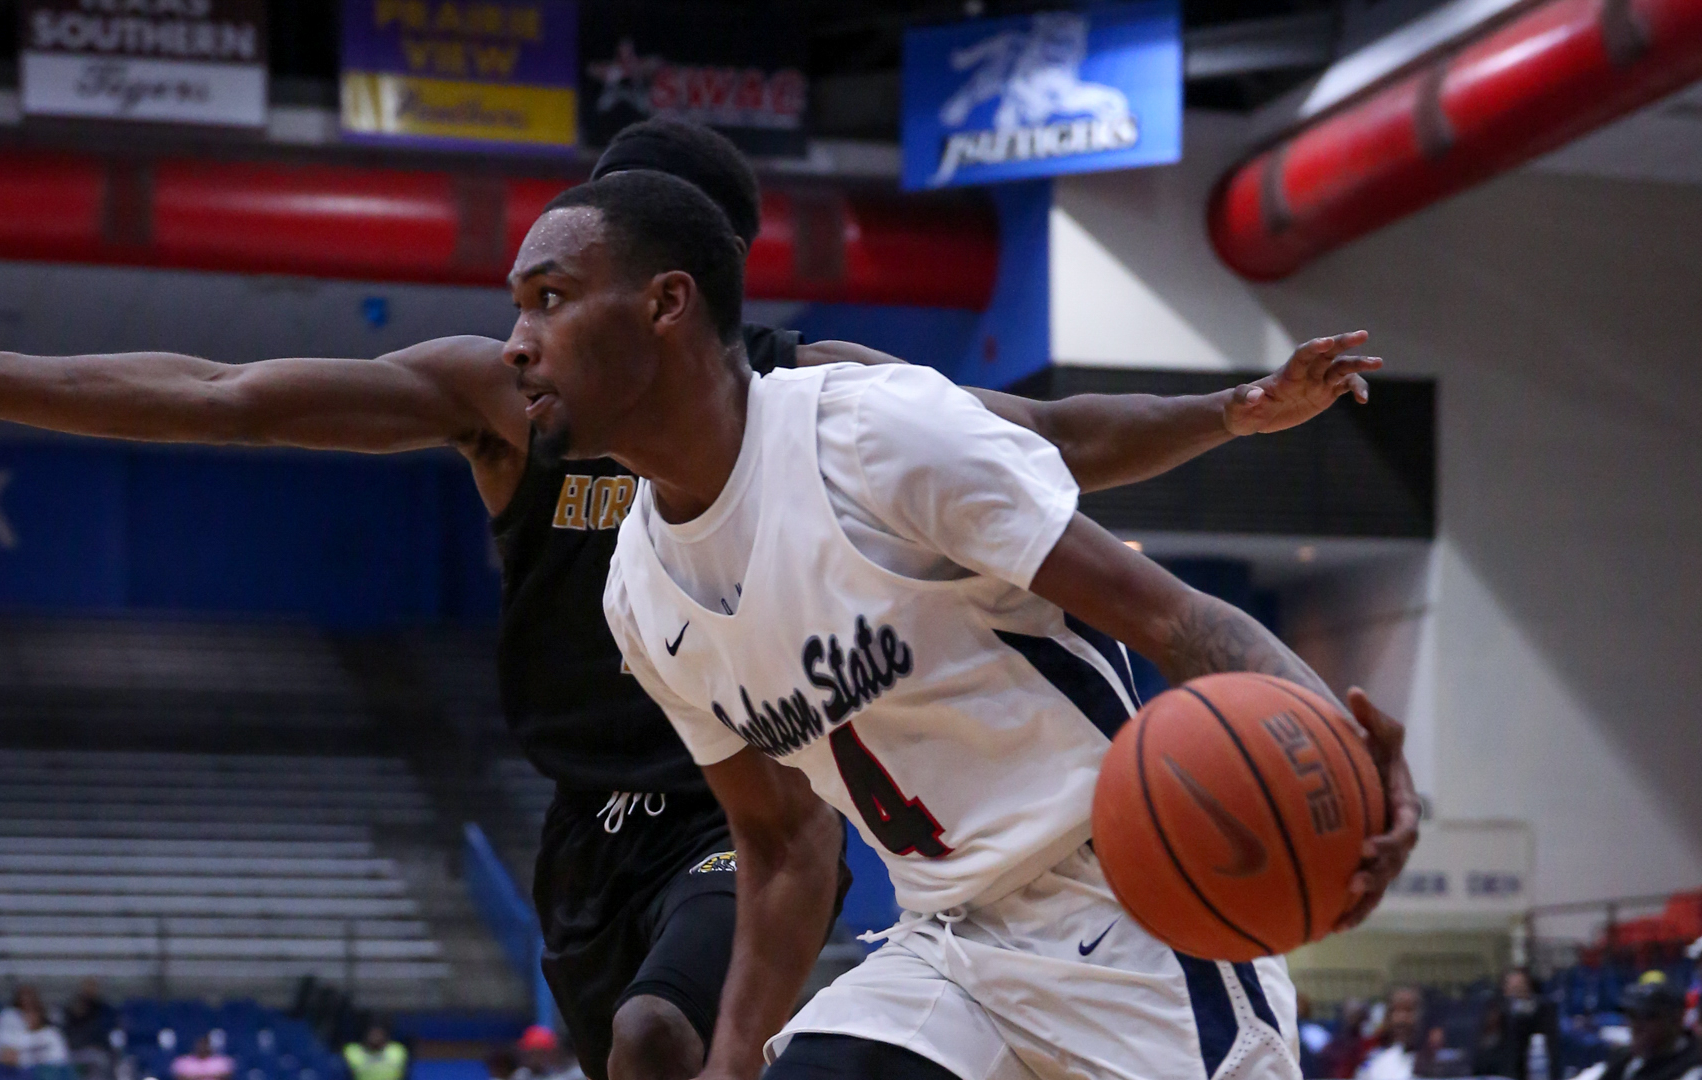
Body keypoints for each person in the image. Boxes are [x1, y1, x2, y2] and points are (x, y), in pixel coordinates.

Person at [0, 119, 1383, 1080]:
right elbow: (227, 392)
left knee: (655, 1045)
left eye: (556, 290)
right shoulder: (548, 456)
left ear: (674, 298)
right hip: (640, 809)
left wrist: (1233, 421)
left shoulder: (847, 411)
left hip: (1073, 885)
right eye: (526, 296)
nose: (526, 327)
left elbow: (1071, 465)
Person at [513, 168, 1423, 1080]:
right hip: (947, 947)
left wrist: (1354, 762)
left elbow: (1176, 619)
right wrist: (727, 1068)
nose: (516, 345)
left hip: (1137, 899)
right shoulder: (638, 596)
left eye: (548, 299)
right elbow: (781, 842)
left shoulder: (871, 436)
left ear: (668, 303)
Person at [1570, 980, 1700, 1080]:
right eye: (1632, 1015)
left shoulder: (1693, 1066)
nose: (1637, 1025)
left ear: (1676, 1019)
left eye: (1648, 1016)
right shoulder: (1626, 1058)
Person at [1475, 969, 1559, 1080]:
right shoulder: (1496, 1011)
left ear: (1528, 987)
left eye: (1520, 986)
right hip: (1503, 1068)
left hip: (1531, 1065)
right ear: (1504, 989)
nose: (1516, 992)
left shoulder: (1542, 1011)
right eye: (1512, 987)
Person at [1356, 988, 1430, 1080]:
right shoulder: (1375, 1063)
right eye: (1394, 1011)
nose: (1400, 1019)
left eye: (1409, 1010)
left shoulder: (1439, 1062)